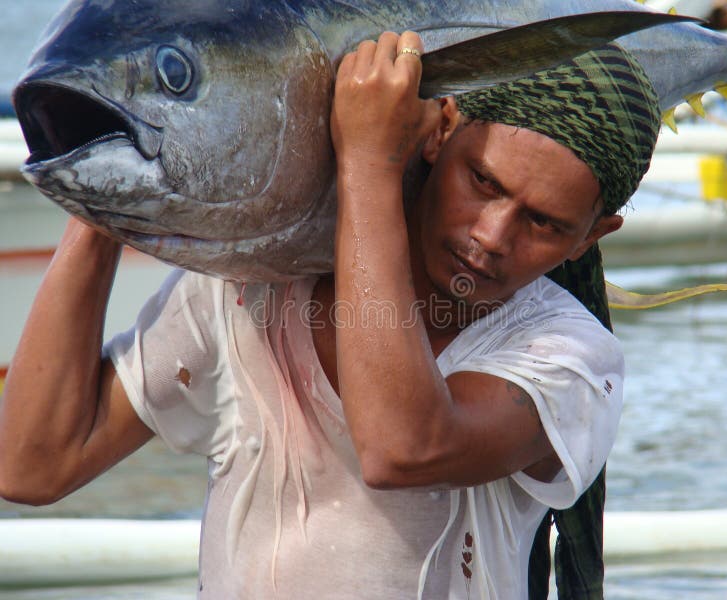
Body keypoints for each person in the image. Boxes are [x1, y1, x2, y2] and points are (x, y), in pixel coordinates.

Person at [0, 30, 659, 599]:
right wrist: (101, 194)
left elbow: (401, 447)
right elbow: (33, 467)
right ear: (442, 132)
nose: (491, 235)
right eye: (482, 183)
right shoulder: (252, 291)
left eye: (542, 223)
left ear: (591, 238)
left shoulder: (568, 356)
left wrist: (370, 159)